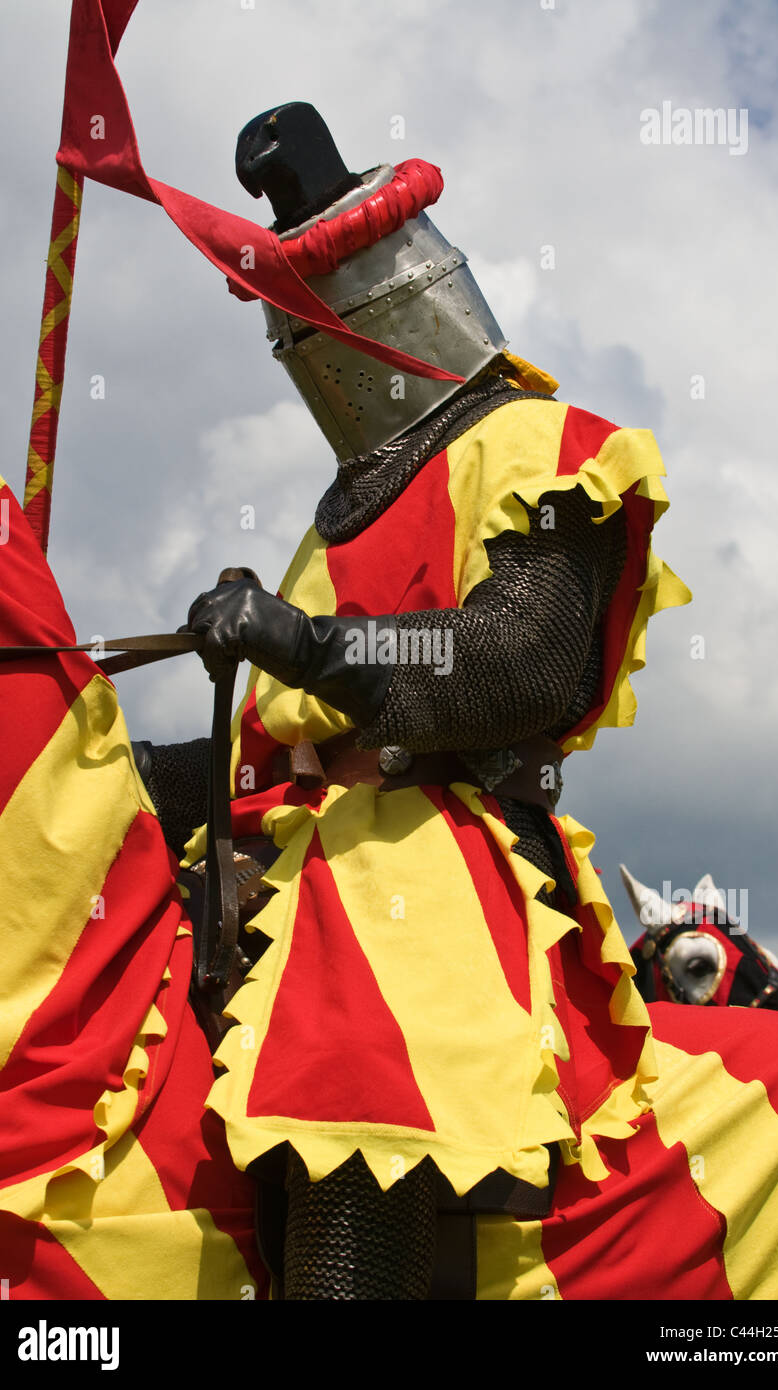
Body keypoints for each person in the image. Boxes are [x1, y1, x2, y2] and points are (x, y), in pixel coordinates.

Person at [132, 102, 681, 1300]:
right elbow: (256, 754)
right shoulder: (334, 518)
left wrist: (303, 640)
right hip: (285, 859)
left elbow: (513, 664)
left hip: (429, 859)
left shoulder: (540, 441)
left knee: (350, 1118)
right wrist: (74, 757)